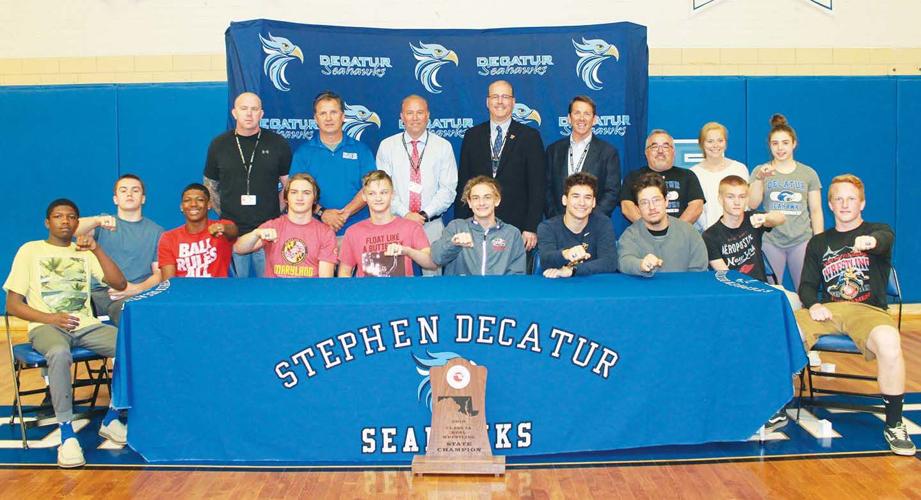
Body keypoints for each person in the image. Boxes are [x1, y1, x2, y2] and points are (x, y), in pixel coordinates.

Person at [3, 199, 128, 468]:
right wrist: (50, 318)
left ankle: (112, 417)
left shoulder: (83, 252)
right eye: (58, 216)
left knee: (130, 346)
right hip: (45, 326)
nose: (65, 221)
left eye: (71, 217)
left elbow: (120, 283)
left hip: (86, 325)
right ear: (47, 222)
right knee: (59, 353)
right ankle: (67, 434)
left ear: (77, 223)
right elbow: (12, 305)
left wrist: (96, 249)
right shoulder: (30, 251)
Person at [796, 174, 915, 456]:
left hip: (868, 311)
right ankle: (775, 406)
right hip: (830, 310)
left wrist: (871, 242)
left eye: (851, 199)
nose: (844, 204)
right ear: (830, 204)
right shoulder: (818, 243)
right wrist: (813, 304)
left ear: (862, 203)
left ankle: (894, 423)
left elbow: (883, 240)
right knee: (787, 331)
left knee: (889, 342)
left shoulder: (878, 230)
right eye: (838, 199)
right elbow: (807, 286)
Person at [203, 92, 291, 277]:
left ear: (261, 114)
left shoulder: (278, 143)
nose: (249, 114)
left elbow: (289, 187)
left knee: (268, 288)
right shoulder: (219, 145)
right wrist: (226, 214)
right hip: (231, 232)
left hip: (268, 231)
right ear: (234, 113)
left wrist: (275, 213)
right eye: (244, 109)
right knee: (236, 289)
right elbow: (210, 186)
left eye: (254, 109)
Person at [454, 80, 546, 257]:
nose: (500, 101)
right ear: (487, 102)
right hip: (477, 227)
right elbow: (464, 184)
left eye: (505, 97)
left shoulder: (529, 137)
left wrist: (531, 227)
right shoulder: (472, 136)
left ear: (513, 102)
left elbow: (537, 186)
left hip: (518, 228)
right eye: (495, 97)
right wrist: (461, 225)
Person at [377, 94, 458, 275]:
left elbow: (448, 190)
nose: (415, 117)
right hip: (395, 222)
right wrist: (405, 214)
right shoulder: (387, 146)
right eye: (409, 113)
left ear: (428, 115)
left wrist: (423, 214)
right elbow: (382, 189)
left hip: (430, 224)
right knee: (394, 277)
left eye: (420, 112)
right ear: (402, 116)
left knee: (432, 281)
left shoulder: (443, 146)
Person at [75, 174, 164, 325]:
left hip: (134, 295)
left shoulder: (157, 231)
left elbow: (159, 274)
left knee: (134, 316)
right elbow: (72, 230)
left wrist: (137, 289)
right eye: (123, 190)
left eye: (135, 190)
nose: (129, 194)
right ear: (115, 199)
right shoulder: (103, 223)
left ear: (143, 199)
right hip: (99, 293)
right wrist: (96, 220)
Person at [748, 113, 823, 290]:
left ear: (794, 144)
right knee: (772, 291)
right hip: (771, 240)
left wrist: (818, 242)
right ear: (769, 146)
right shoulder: (760, 170)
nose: (780, 148)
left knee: (806, 291)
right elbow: (752, 204)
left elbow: (816, 211)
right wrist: (759, 179)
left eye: (785, 143)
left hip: (801, 240)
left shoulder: (808, 173)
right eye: (775, 143)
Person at [290, 91, 376, 237]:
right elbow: (294, 192)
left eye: (333, 112)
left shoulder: (362, 151)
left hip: (357, 232)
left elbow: (370, 188)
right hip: (315, 233)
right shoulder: (303, 153)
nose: (328, 118)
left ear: (343, 116)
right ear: (316, 119)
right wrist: (322, 212)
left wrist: (345, 213)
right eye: (323, 113)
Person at [233, 173, 337, 278]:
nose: (299, 197)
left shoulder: (325, 233)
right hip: (275, 288)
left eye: (306, 193)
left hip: (309, 288)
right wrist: (256, 234)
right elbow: (238, 248)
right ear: (286, 198)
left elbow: (325, 281)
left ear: (314, 199)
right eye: (294, 192)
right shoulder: (273, 226)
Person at [338, 171, 436, 277]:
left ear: (392, 194)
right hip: (366, 288)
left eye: (383, 192)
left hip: (402, 288)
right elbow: (344, 272)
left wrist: (407, 251)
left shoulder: (412, 227)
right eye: (372, 193)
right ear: (364, 196)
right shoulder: (353, 232)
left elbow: (431, 263)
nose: (378, 198)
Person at [431, 176, 525, 276]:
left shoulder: (512, 234)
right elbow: (437, 258)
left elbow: (517, 274)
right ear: (470, 203)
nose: (481, 203)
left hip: (498, 286)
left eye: (487, 197)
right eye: (475, 198)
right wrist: (453, 244)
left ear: (497, 200)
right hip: (461, 286)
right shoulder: (456, 227)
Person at [618, 172, 708, 276]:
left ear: (666, 201)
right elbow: (623, 261)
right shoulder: (630, 235)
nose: (652, 207)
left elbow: (699, 272)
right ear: (638, 208)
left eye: (656, 200)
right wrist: (641, 265)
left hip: (684, 286)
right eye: (644, 202)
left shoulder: (689, 232)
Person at [545, 95, 621, 218]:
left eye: (587, 114)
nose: (581, 118)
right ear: (569, 118)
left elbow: (612, 192)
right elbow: (546, 189)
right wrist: (556, 218)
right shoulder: (553, 150)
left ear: (594, 119)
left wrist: (591, 220)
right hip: (558, 223)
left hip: (593, 223)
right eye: (577, 113)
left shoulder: (608, 152)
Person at [703, 175, 785, 283]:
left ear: (747, 199)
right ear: (720, 199)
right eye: (730, 197)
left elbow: (781, 218)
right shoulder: (710, 236)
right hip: (734, 288)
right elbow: (725, 275)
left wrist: (766, 218)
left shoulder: (753, 219)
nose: (737, 202)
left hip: (761, 286)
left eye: (742, 197)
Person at [538, 172, 618, 278]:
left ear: (594, 202)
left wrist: (573, 270)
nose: (582, 203)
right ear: (564, 200)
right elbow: (545, 260)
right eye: (576, 196)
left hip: (593, 285)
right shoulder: (547, 227)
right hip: (558, 286)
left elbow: (610, 262)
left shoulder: (603, 223)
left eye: (587, 197)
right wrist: (565, 254)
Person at [621, 129, 704, 226]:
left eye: (665, 146)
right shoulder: (633, 177)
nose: (660, 151)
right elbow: (627, 207)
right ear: (646, 152)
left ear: (673, 151)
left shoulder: (688, 176)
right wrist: (650, 228)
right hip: (643, 233)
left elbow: (696, 206)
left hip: (680, 233)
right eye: (654, 147)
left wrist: (676, 230)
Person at [158, 183, 238, 279]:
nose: (193, 204)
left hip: (217, 288)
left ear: (209, 205)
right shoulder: (169, 238)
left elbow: (233, 231)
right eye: (187, 200)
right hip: (183, 288)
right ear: (181, 207)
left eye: (200, 200)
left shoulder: (222, 228)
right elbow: (169, 281)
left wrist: (222, 228)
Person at [690, 122, 749, 230]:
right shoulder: (693, 173)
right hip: (707, 234)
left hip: (739, 232)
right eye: (710, 141)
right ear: (702, 144)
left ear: (725, 143)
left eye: (720, 140)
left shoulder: (739, 169)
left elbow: (746, 203)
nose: (715, 145)